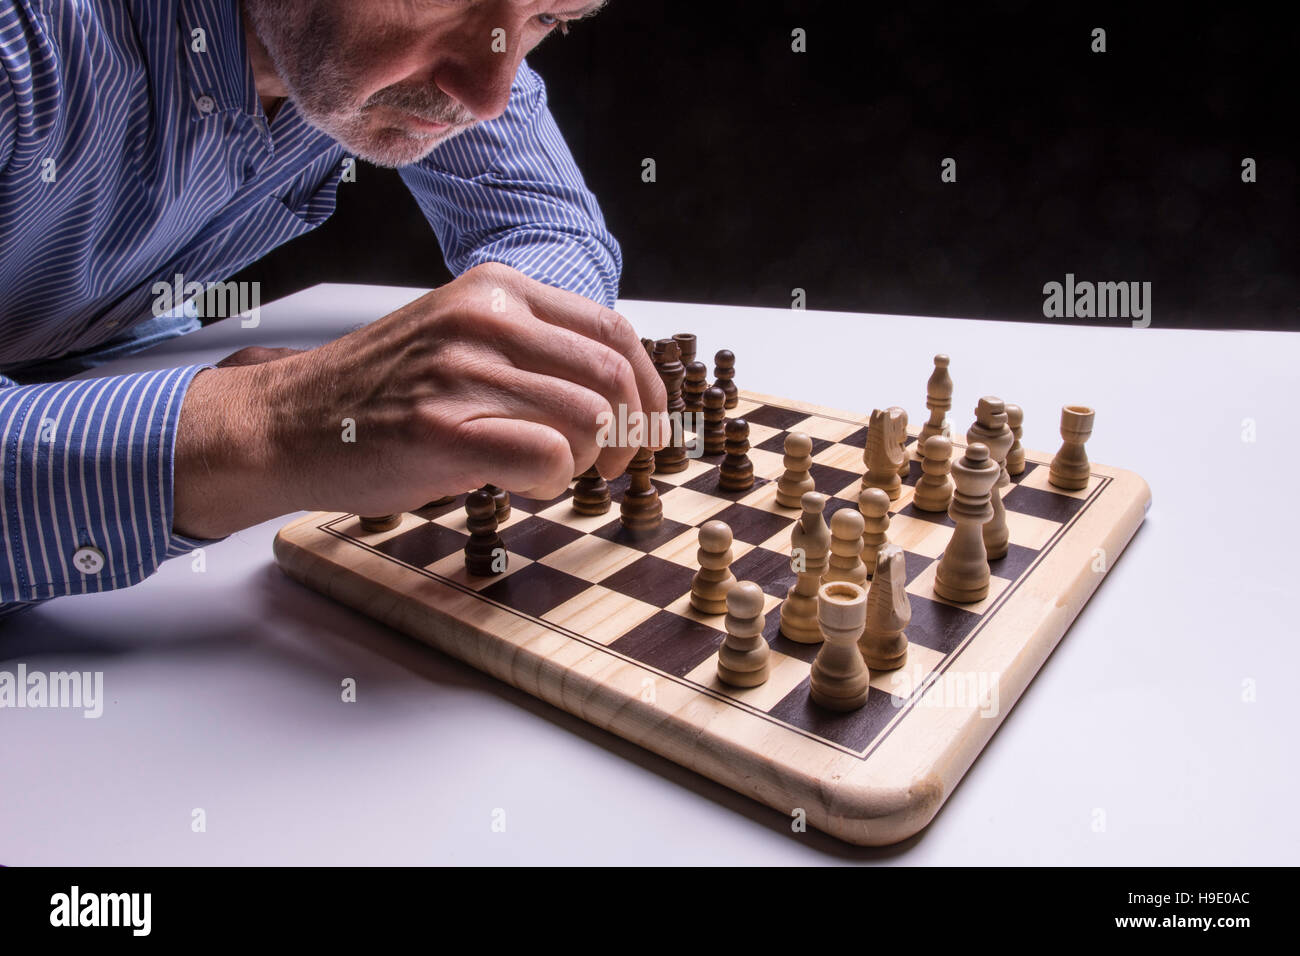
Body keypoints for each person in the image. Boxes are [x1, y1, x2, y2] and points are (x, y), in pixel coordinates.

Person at [0, 0, 667, 619]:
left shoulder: (466, 49)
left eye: (550, 15)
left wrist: (496, 376)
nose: (489, 93)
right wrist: (271, 424)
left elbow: (550, 226)